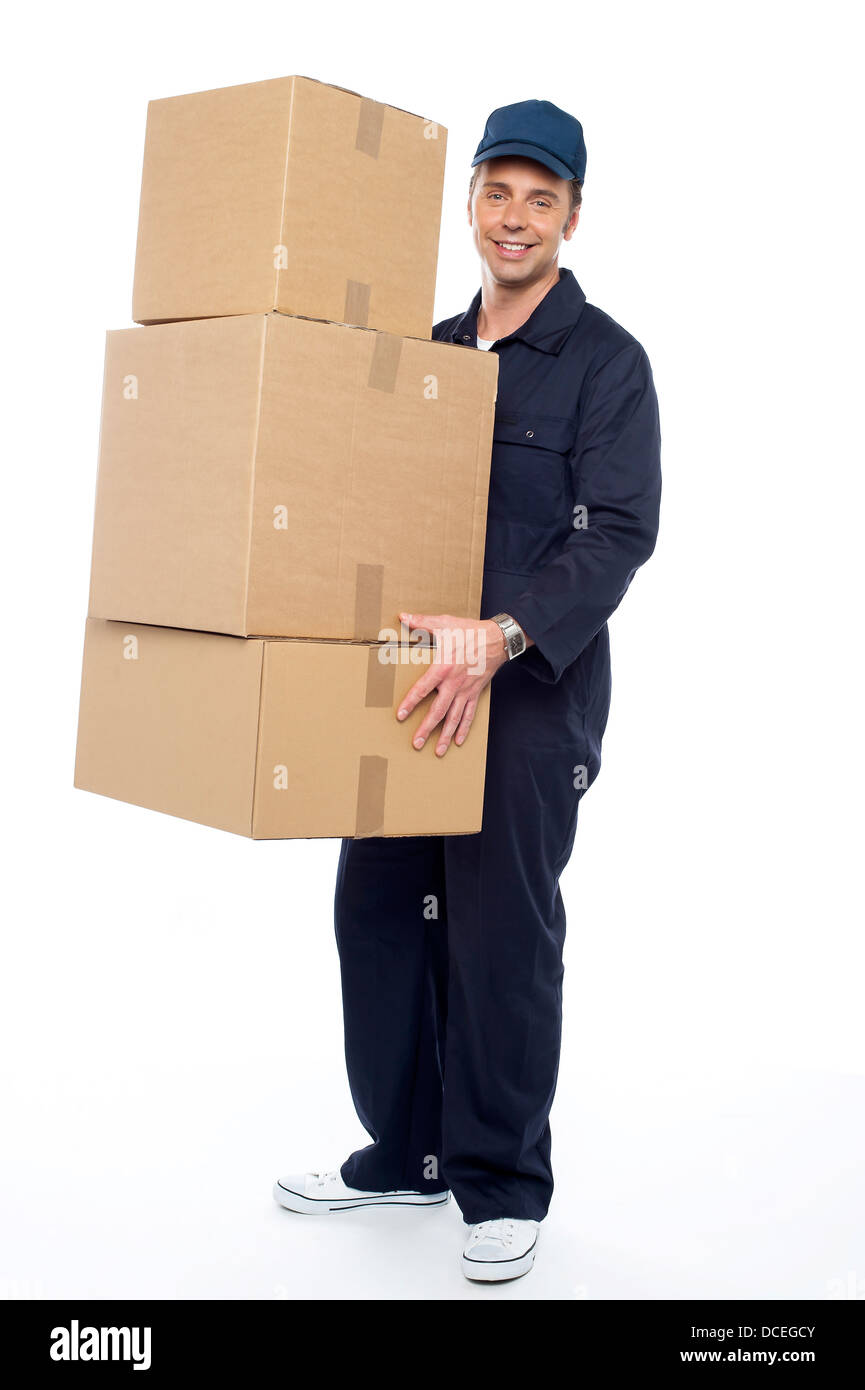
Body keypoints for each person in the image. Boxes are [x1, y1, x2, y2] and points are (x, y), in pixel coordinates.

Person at [274, 99, 662, 1284]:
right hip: (407, 680)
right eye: (499, 192)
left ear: (572, 217)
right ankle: (408, 1149)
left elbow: (618, 536)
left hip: (529, 692)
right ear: (473, 203)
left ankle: (499, 1183)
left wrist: (498, 638)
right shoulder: (430, 351)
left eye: (540, 199)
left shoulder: (607, 362)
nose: (515, 217)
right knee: (378, 912)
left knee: (500, 935)